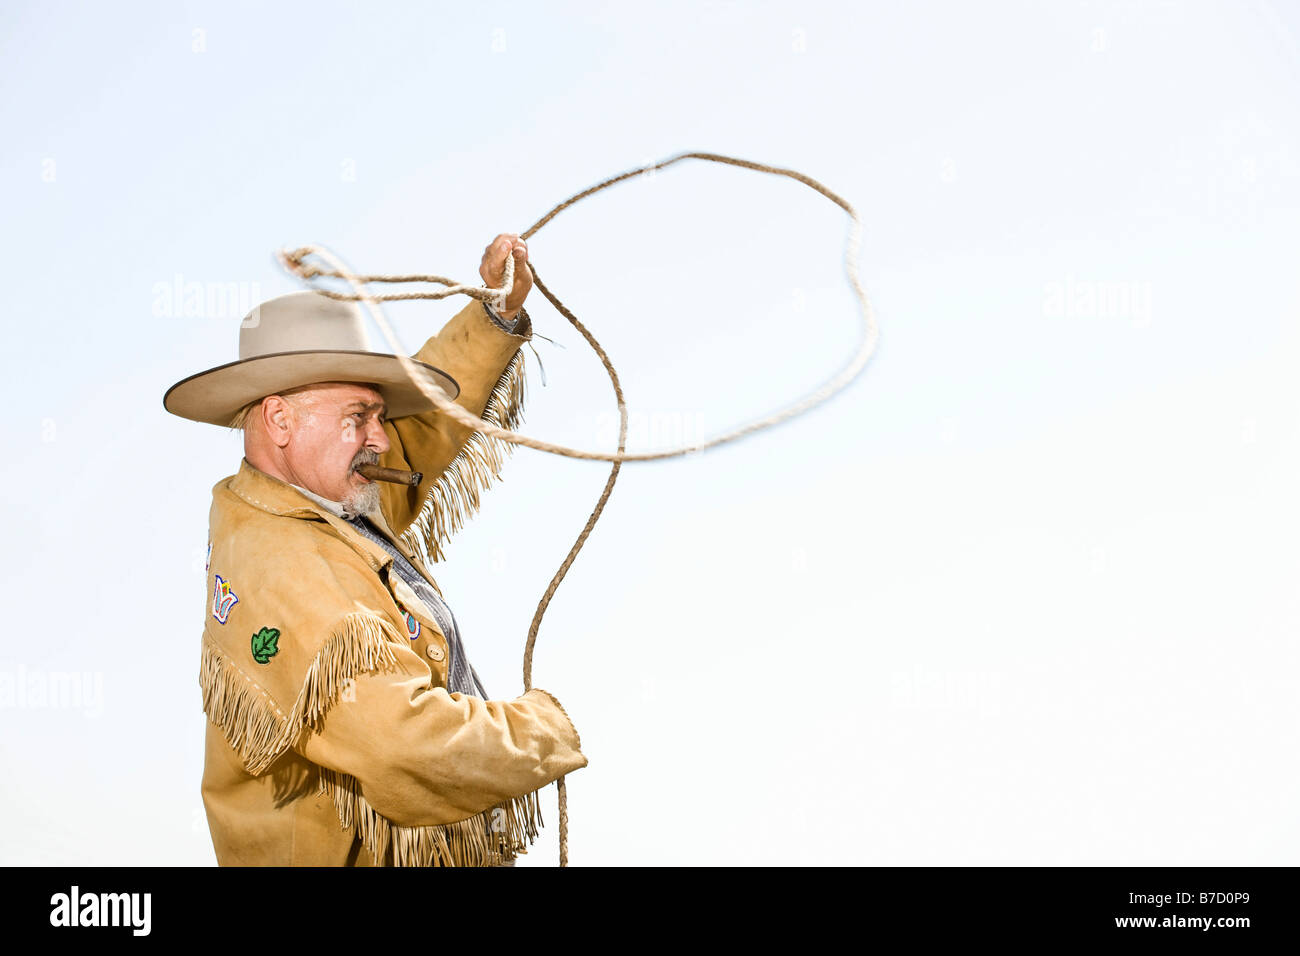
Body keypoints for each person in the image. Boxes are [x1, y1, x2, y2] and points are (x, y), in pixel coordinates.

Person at [163, 234, 587, 866]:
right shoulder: (287, 566)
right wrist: (543, 729)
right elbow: (406, 745)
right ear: (280, 421)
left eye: (378, 418)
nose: (380, 441)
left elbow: (422, 431)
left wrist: (493, 317)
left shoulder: (313, 498)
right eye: (359, 417)